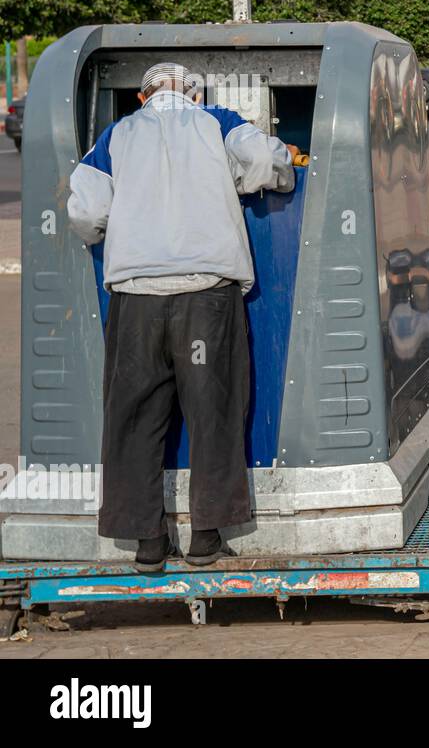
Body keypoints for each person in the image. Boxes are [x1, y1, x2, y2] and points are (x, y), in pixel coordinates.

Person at [67, 63, 297, 571]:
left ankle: (147, 543)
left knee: (133, 418)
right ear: (195, 94)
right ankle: (207, 537)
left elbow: (85, 212)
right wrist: (239, 180)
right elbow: (268, 163)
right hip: (206, 296)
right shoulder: (218, 120)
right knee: (214, 411)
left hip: (136, 300)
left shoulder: (114, 135)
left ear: (142, 96)